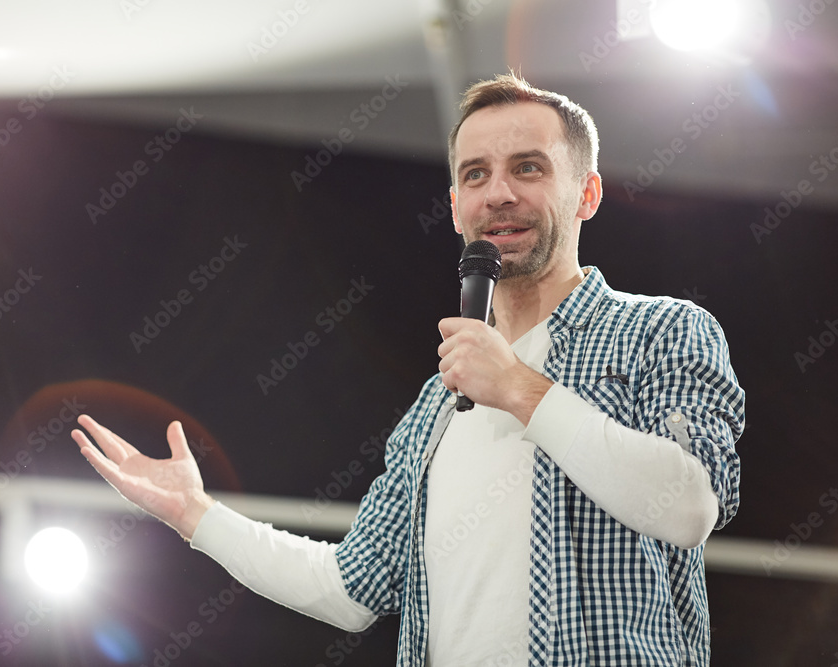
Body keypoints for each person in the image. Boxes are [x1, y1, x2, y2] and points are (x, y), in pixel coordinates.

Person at [71, 73, 744, 666]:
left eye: (528, 168)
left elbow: (689, 506)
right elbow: (349, 589)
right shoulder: (438, 402)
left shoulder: (660, 331)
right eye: (475, 174)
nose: (498, 193)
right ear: (454, 206)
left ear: (587, 193)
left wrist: (517, 387)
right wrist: (196, 514)